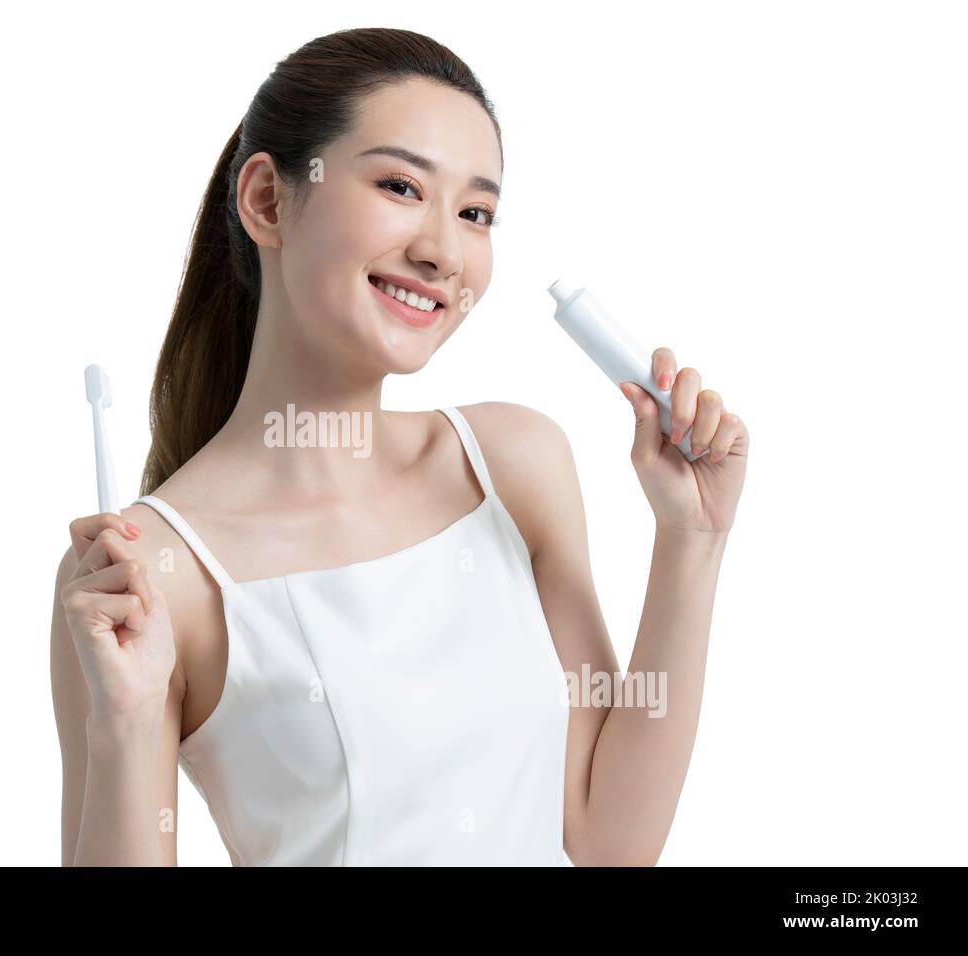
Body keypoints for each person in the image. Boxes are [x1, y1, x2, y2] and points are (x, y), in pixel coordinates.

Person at [50, 27, 749, 866]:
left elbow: (609, 841)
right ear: (269, 199)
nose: (442, 251)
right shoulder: (143, 571)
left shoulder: (513, 465)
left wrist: (693, 541)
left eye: (475, 212)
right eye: (399, 185)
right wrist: (123, 724)